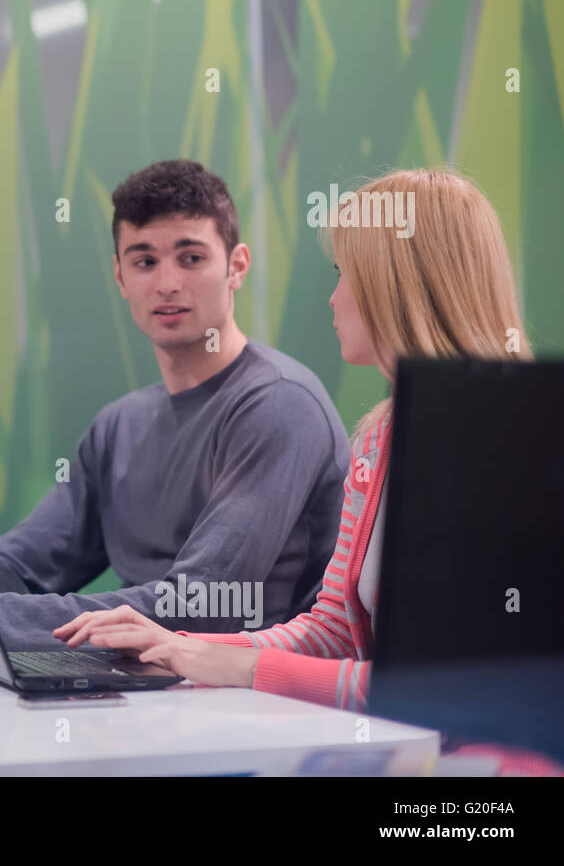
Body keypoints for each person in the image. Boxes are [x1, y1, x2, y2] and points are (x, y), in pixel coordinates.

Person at [53, 168, 561, 775]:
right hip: (404, 756)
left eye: (345, 274)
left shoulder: (508, 445)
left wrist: (234, 664)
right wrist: (183, 648)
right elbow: (332, 633)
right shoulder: (378, 439)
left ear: (394, 286)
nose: (334, 297)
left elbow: (454, 688)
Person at [0, 159, 350, 649]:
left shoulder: (280, 406)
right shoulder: (119, 426)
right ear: (119, 276)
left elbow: (200, 607)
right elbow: (25, 565)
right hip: (137, 688)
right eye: (144, 262)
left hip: (251, 701)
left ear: (237, 266)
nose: (167, 283)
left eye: (191, 258)